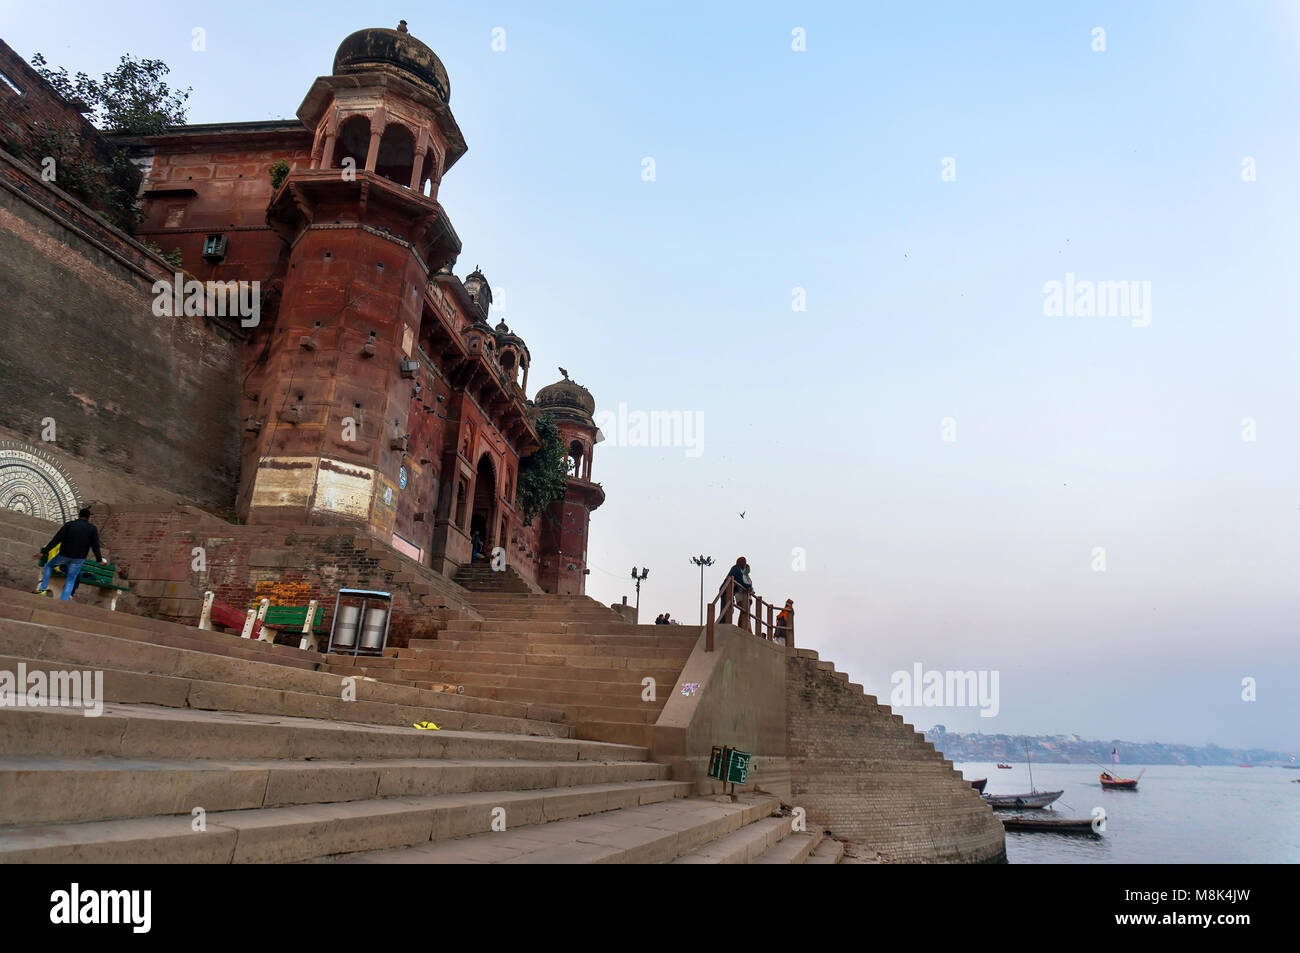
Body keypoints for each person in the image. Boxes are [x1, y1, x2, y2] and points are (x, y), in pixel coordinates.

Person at [36, 508, 107, 602]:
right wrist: (99, 560)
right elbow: (95, 546)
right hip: (79, 559)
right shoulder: (92, 529)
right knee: (71, 579)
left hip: (64, 555)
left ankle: (42, 589)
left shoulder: (70, 525)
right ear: (88, 517)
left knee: (48, 565)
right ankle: (63, 600)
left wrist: (44, 551)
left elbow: (56, 539)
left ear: (79, 515)